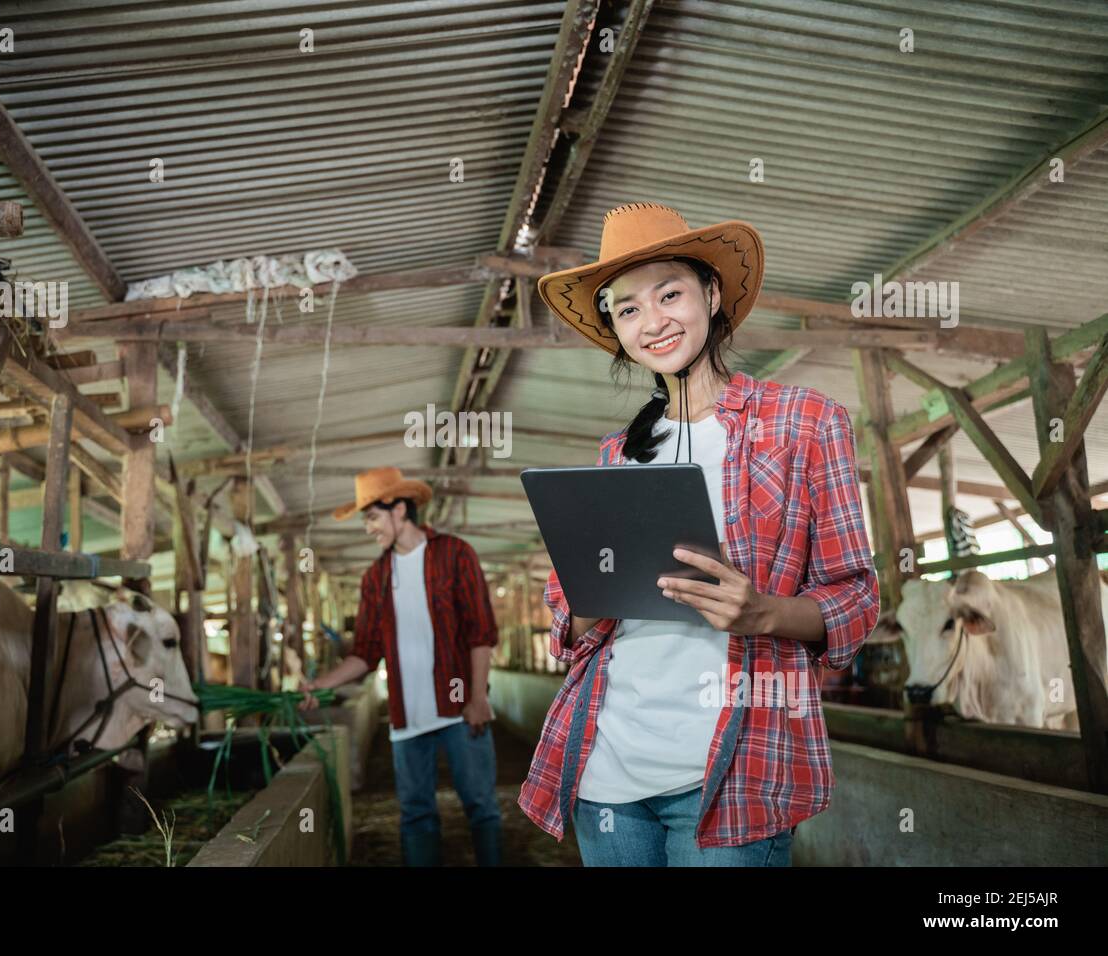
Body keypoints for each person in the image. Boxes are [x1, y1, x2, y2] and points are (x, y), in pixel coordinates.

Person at [518, 202, 879, 866]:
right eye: (626, 309)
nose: (651, 321)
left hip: (737, 770)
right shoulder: (614, 456)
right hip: (611, 764)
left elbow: (856, 598)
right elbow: (564, 611)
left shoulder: (804, 422)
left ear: (712, 296)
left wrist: (764, 612)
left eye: (670, 293)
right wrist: (582, 603)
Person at [300, 466, 503, 866]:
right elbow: (365, 653)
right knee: (414, 816)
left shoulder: (455, 554)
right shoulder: (375, 578)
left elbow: (481, 633)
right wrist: (318, 684)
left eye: (372, 517)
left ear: (398, 509)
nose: (368, 528)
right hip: (406, 719)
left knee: (482, 807)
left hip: (460, 710)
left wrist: (477, 697)